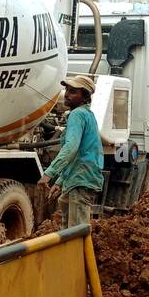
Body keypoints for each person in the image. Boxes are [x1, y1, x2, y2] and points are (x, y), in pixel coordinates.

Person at [42, 75, 104, 229]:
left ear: (85, 97)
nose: (67, 94)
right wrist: (60, 181)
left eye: (73, 91)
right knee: (68, 223)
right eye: (67, 90)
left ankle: (79, 254)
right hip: (79, 177)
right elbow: (77, 153)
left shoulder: (77, 115)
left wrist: (49, 173)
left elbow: (71, 148)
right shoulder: (87, 114)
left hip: (81, 178)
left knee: (77, 230)